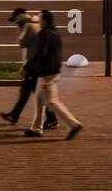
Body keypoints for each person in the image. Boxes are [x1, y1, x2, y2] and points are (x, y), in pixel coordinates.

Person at [24, 9, 82, 140]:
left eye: (40, 18)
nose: (38, 21)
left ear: (45, 20)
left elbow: (40, 53)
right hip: (52, 71)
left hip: (47, 73)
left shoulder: (44, 34)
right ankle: (36, 128)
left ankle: (74, 125)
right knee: (39, 101)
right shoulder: (55, 33)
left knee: (52, 102)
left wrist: (29, 65)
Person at [1, 8, 58, 129]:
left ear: (20, 16)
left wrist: (21, 27)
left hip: (33, 65)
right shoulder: (35, 23)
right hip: (36, 64)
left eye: (16, 19)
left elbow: (22, 43)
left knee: (37, 95)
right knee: (26, 92)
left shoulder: (28, 26)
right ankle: (14, 115)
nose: (15, 21)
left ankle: (52, 119)